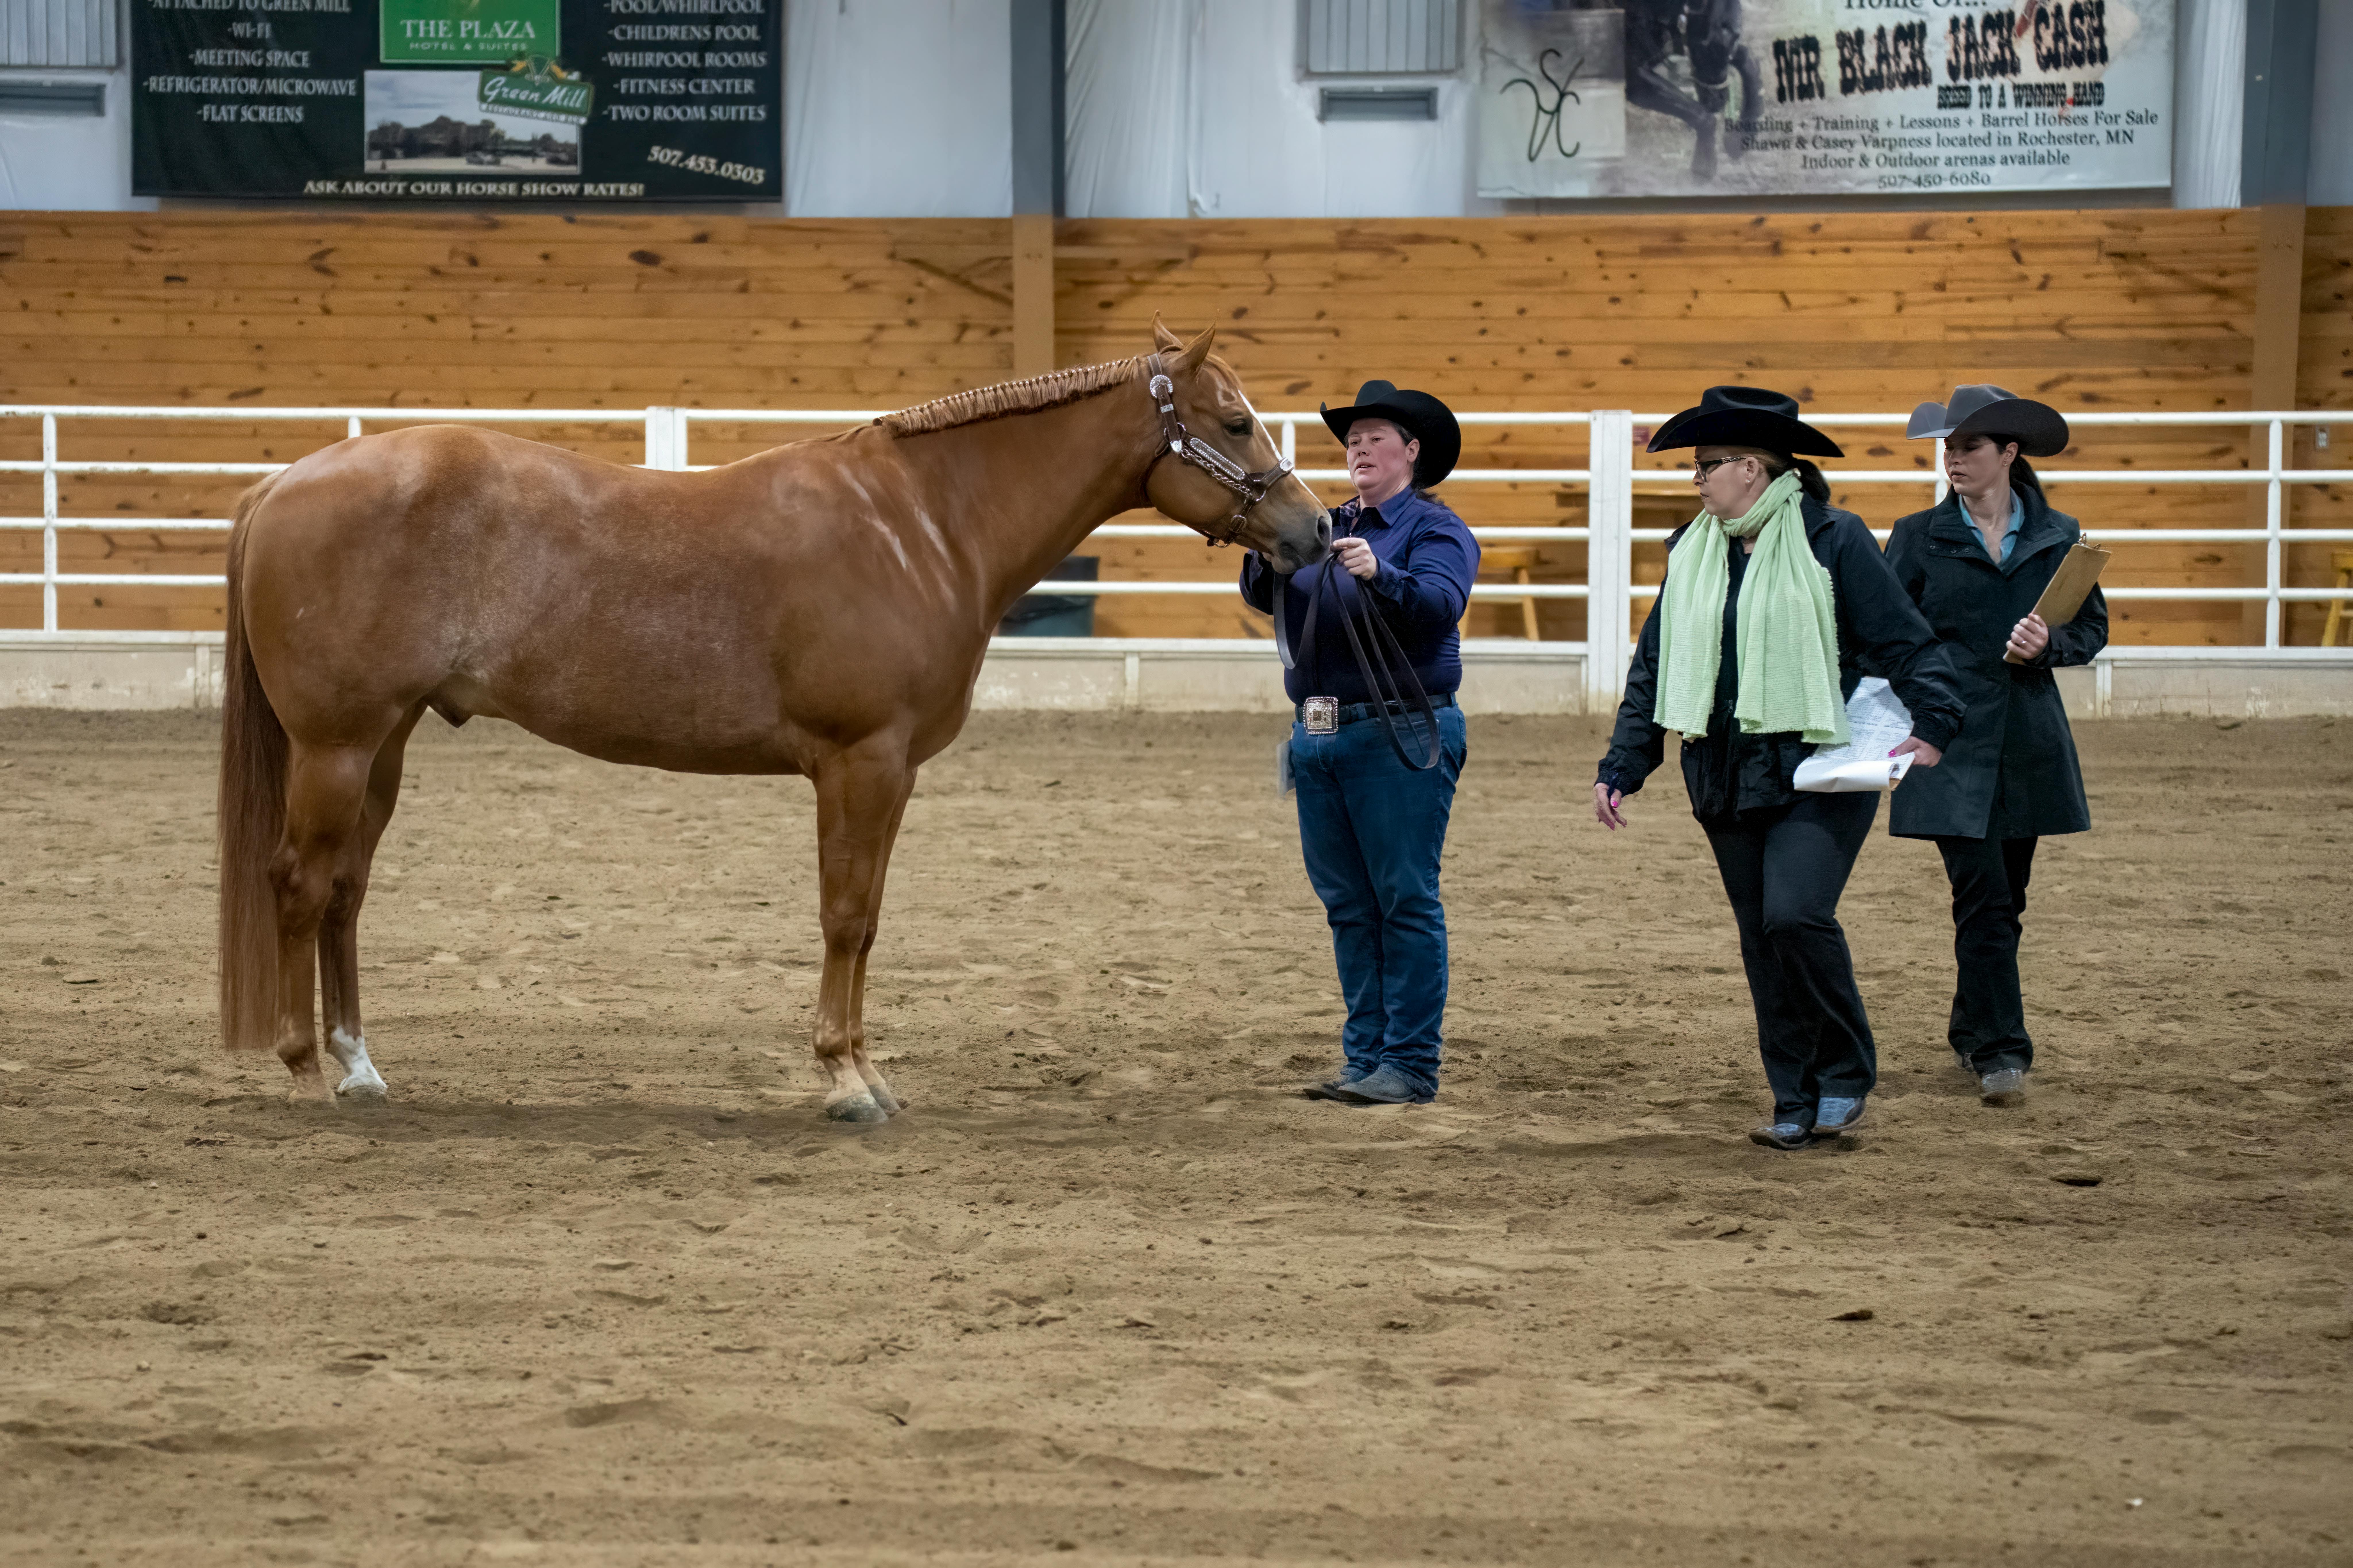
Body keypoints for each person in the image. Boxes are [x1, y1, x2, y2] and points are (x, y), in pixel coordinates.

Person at [1592, 386, 1964, 1149]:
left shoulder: (1835, 539)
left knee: (1794, 914)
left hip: (1816, 765)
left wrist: (1936, 723)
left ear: (1754, 469)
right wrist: (1625, 763)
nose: (1696, 480)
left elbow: (1905, 639)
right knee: (1761, 936)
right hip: (1723, 769)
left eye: (1706, 465)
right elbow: (1655, 664)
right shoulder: (1692, 551)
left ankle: (1844, 1070)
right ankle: (1793, 1095)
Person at [1241, 380, 1477, 1107]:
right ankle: (1366, 1056)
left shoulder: (1436, 531)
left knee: (1403, 898)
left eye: (1376, 436)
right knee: (1348, 902)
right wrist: (1260, 547)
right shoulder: (1324, 523)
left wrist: (1385, 575)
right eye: (1353, 438)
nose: (1359, 447)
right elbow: (1265, 595)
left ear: (1412, 453)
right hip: (1320, 731)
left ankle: (1408, 1062)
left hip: (1399, 727)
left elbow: (1440, 606)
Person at [1887, 386, 2107, 1109]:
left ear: (2008, 453)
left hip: (2027, 741)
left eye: (1967, 448)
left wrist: (2051, 643)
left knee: (2004, 902)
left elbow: (2090, 630)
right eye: (1946, 449)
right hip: (1946, 738)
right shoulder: (1916, 536)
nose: (1952, 460)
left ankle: (1970, 1026)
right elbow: (1885, 630)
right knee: (1982, 897)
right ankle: (2002, 1050)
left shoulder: (2061, 536)